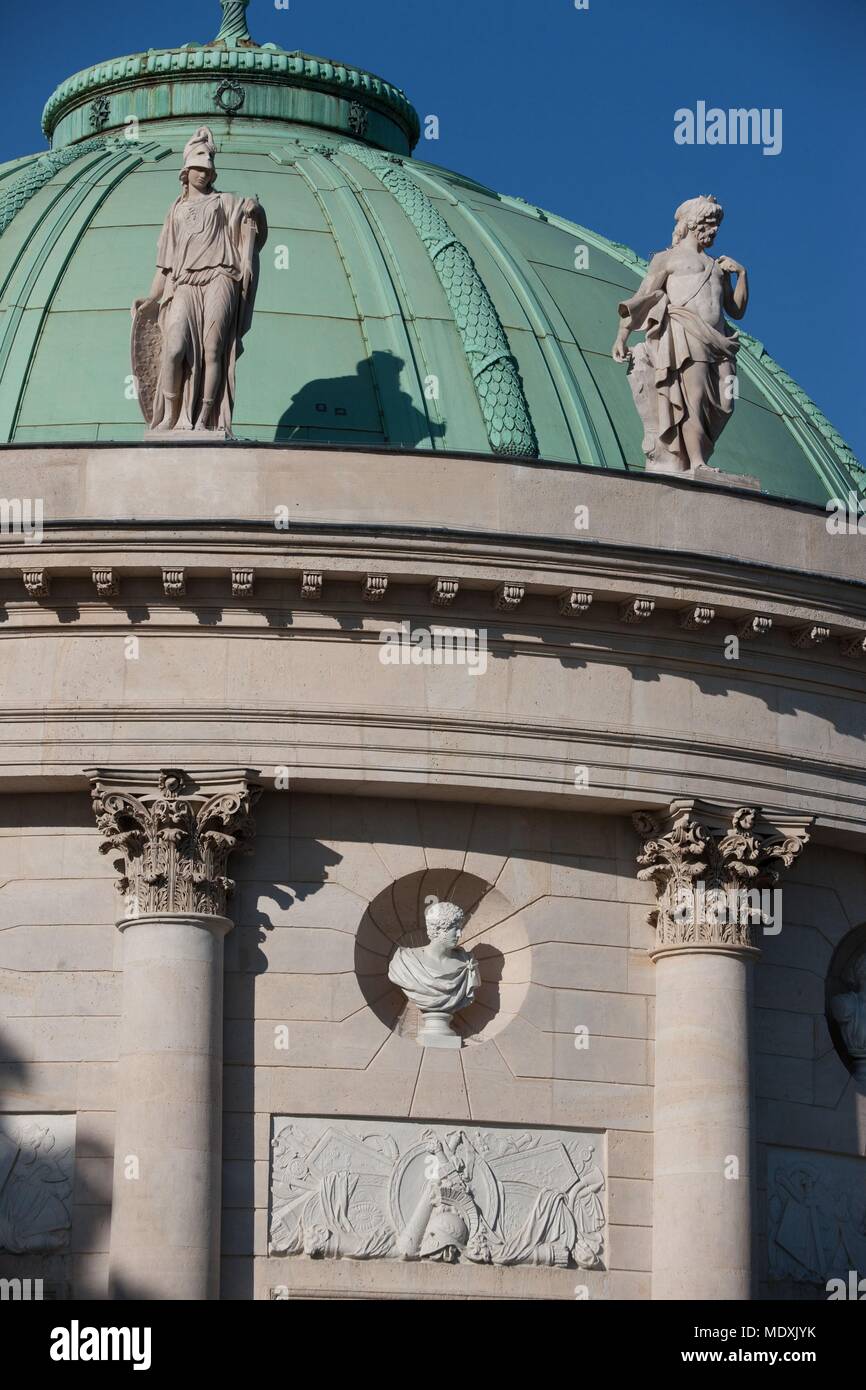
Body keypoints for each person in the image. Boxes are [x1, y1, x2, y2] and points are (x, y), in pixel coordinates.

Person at [132, 126, 266, 433]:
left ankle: (206, 417)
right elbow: (166, 262)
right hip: (185, 283)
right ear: (186, 171)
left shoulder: (226, 201)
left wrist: (254, 212)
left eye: (208, 170)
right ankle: (169, 415)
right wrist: (152, 297)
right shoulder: (176, 210)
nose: (204, 175)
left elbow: (252, 223)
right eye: (198, 169)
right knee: (174, 347)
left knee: (213, 348)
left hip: (221, 277)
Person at [612, 194, 748, 471]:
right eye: (710, 223)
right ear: (693, 224)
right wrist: (622, 336)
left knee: (725, 403)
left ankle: (698, 454)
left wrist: (742, 274)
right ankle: (696, 462)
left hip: (719, 341)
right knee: (692, 399)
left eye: (716, 224)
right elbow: (643, 297)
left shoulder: (718, 267)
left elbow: (736, 310)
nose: (714, 230)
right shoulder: (667, 260)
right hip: (686, 332)